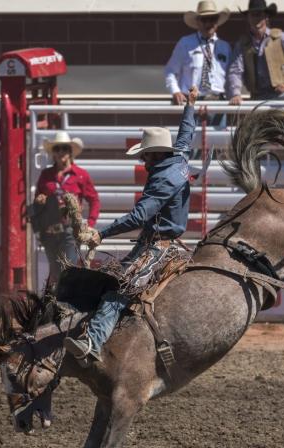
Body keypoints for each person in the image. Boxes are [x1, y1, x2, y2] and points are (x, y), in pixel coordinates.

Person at [64, 86, 199, 368]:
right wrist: (190, 106)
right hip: (159, 239)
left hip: (158, 245)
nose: (143, 160)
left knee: (120, 288)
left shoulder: (162, 180)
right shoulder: (180, 158)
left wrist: (101, 233)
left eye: (146, 155)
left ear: (157, 155)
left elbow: (139, 216)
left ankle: (92, 343)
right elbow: (187, 134)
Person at [32, 132, 100, 282]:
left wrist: (90, 223)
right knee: (55, 272)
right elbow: (37, 203)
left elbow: (94, 200)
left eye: (64, 148)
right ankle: (56, 302)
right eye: (57, 149)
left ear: (70, 152)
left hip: (70, 230)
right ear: (53, 153)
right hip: (50, 231)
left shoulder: (81, 175)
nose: (61, 152)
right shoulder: (46, 174)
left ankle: (66, 303)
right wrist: (40, 202)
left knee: (68, 270)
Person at [227, 0, 284, 105]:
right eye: (253, 15)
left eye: (259, 15)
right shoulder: (242, 44)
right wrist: (235, 94)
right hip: (257, 98)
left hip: (281, 95)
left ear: (266, 17)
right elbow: (235, 71)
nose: (256, 19)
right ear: (248, 18)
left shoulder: (281, 38)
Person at [165, 1, 233, 106]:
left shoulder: (225, 47)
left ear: (217, 22)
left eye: (212, 19)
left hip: (219, 103)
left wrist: (234, 94)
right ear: (198, 22)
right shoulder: (185, 43)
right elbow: (170, 71)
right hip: (191, 101)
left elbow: (232, 76)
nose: (208, 24)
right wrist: (175, 91)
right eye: (204, 19)